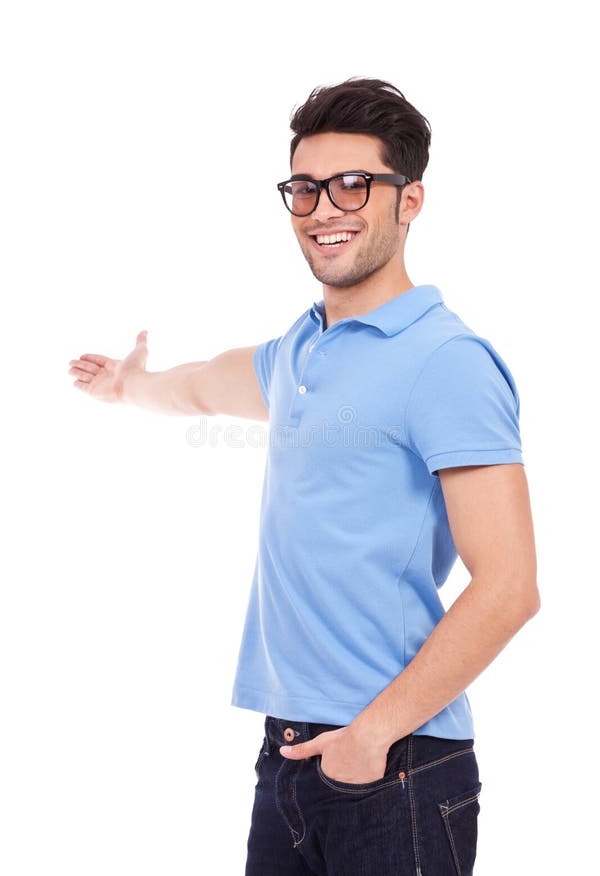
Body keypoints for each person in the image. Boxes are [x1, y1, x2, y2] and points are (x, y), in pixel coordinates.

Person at [68, 77, 540, 875]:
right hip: (287, 756)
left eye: (355, 184)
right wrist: (128, 386)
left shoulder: (446, 363)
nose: (325, 208)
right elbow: (199, 385)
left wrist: (370, 737)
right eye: (306, 188)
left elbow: (510, 588)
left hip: (395, 765)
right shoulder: (299, 354)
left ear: (410, 199)